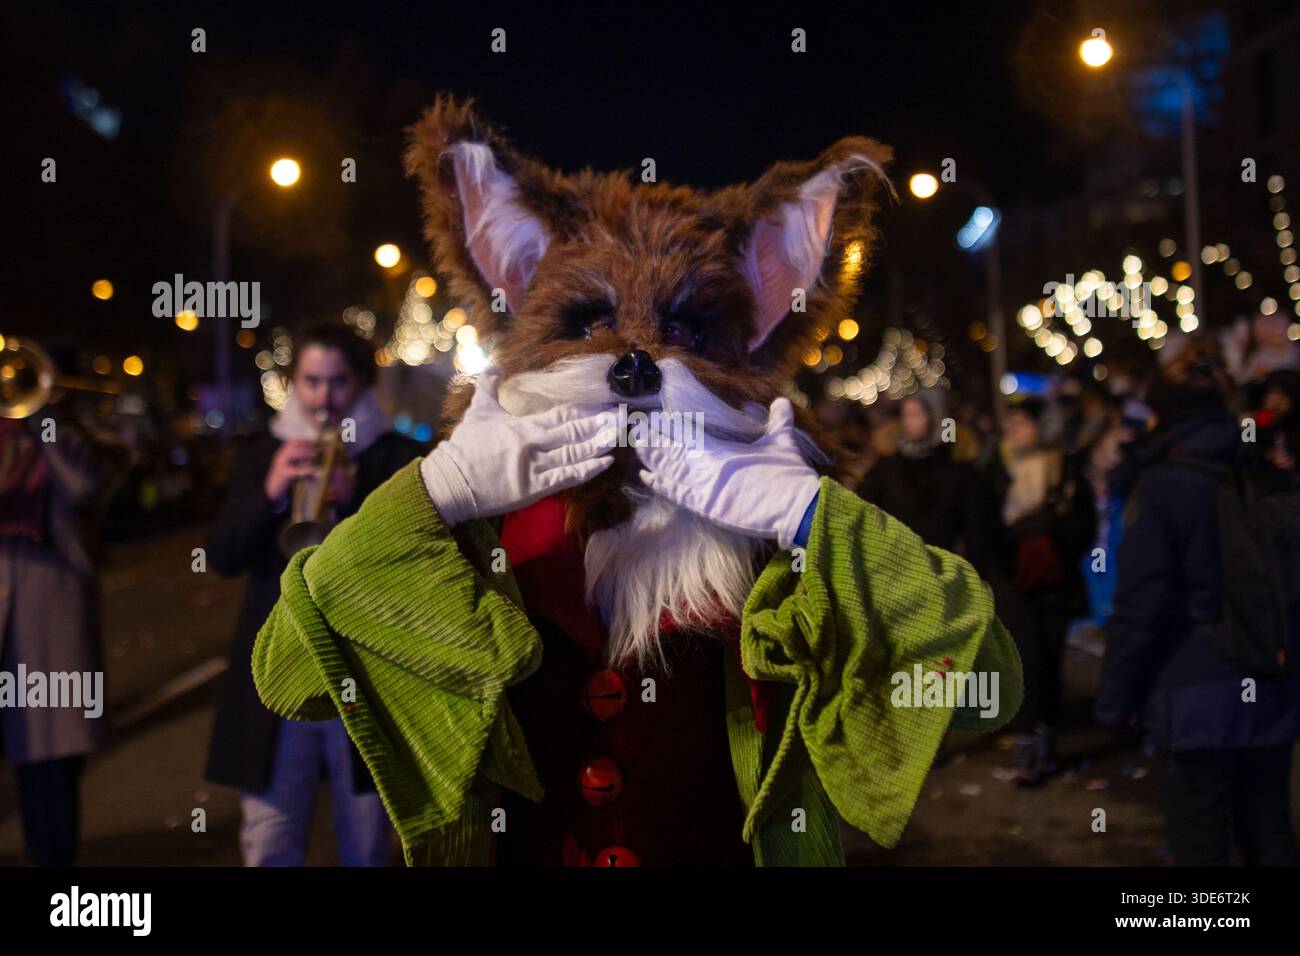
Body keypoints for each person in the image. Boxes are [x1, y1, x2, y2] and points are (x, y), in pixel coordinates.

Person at [204, 322, 424, 866]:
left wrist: (357, 505)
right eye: (311, 381)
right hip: (279, 671)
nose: (324, 397)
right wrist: (272, 491)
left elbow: (412, 560)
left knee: (367, 844)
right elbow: (222, 555)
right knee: (270, 838)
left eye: (338, 382)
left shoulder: (392, 454)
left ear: (361, 383)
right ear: (294, 383)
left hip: (361, 672)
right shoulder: (264, 453)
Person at [1096, 337, 1300, 865]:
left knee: (1200, 846)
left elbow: (1142, 606)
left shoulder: (1163, 486)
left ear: (1161, 411)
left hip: (1194, 691)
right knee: (1269, 829)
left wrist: (1117, 699)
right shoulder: (1261, 469)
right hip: (1269, 680)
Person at [0, 392, 127, 866]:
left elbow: (82, 488)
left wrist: (38, 416)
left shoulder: (66, 439)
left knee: (51, 773)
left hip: (47, 630)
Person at [996, 396, 1094, 785]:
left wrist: (1053, 547)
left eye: (1022, 423)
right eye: (1012, 423)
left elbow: (1083, 522)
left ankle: (1045, 741)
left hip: (1053, 584)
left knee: (1048, 661)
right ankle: (1026, 744)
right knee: (1022, 660)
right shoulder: (999, 468)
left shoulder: (1064, 468)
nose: (1014, 430)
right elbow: (982, 521)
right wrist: (1007, 559)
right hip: (1013, 584)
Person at [857, 389, 1000, 573]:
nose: (908, 422)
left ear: (935, 416)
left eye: (916, 415)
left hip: (943, 568)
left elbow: (974, 529)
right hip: (895, 566)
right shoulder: (887, 466)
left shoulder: (956, 468)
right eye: (905, 415)